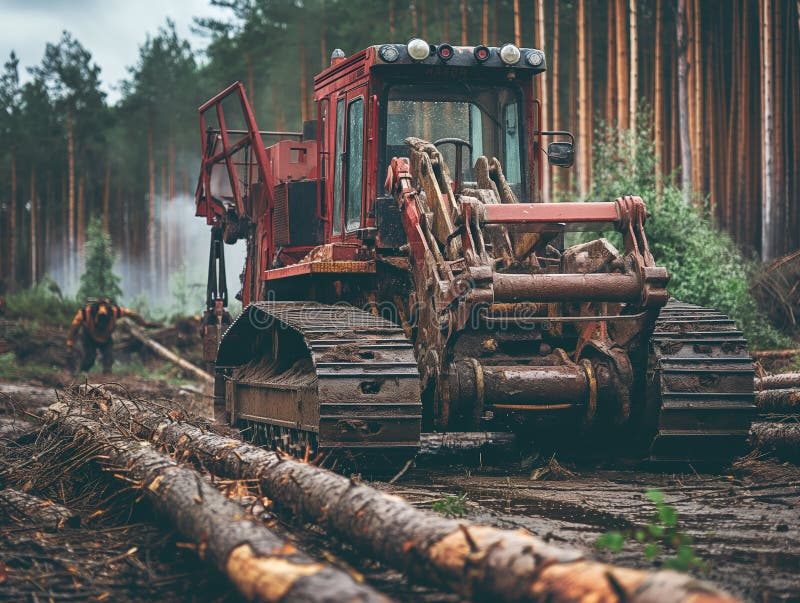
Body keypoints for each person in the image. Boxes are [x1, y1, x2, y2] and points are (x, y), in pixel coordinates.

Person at [67, 298, 147, 374]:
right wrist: (69, 343)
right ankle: (83, 372)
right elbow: (74, 328)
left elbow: (131, 314)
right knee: (90, 357)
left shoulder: (115, 312)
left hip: (106, 337)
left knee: (108, 355)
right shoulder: (85, 313)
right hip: (89, 336)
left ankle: (107, 373)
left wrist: (143, 323)